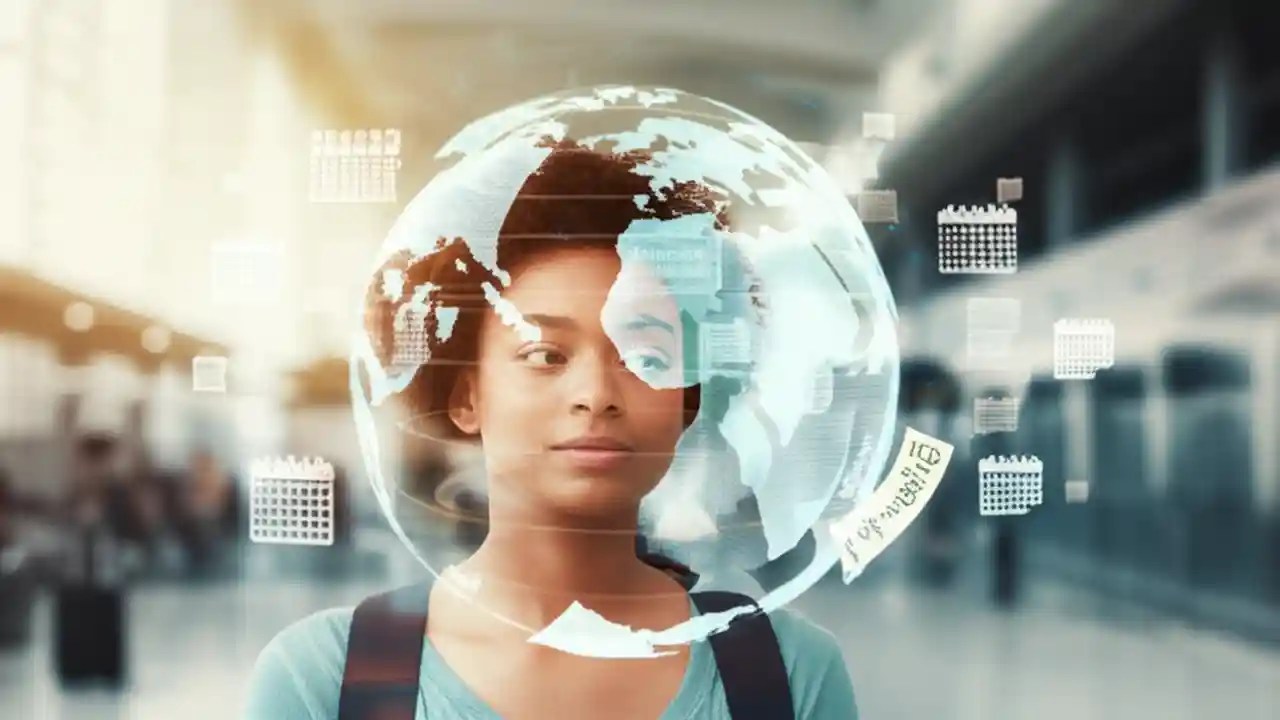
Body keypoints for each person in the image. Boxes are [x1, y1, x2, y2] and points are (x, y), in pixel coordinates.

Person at [245, 138, 858, 719]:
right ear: (466, 394)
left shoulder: (785, 675)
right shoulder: (325, 680)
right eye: (545, 354)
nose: (595, 396)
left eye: (645, 356)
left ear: (687, 395)